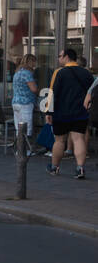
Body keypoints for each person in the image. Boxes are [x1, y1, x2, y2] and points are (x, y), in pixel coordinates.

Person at [45, 49, 93, 178]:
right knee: (78, 139)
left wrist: (48, 112)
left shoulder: (60, 73)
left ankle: (54, 167)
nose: (59, 59)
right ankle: (80, 168)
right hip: (81, 112)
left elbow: (52, 93)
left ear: (66, 57)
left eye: (60, 56)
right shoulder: (86, 73)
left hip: (62, 112)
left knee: (60, 141)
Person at [11, 54, 40, 148]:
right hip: (25, 103)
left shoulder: (17, 72)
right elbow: (34, 89)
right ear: (30, 62)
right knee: (26, 129)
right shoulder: (27, 73)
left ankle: (19, 150)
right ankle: (24, 150)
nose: (35, 65)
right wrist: (42, 90)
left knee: (18, 128)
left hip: (16, 102)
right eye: (34, 62)